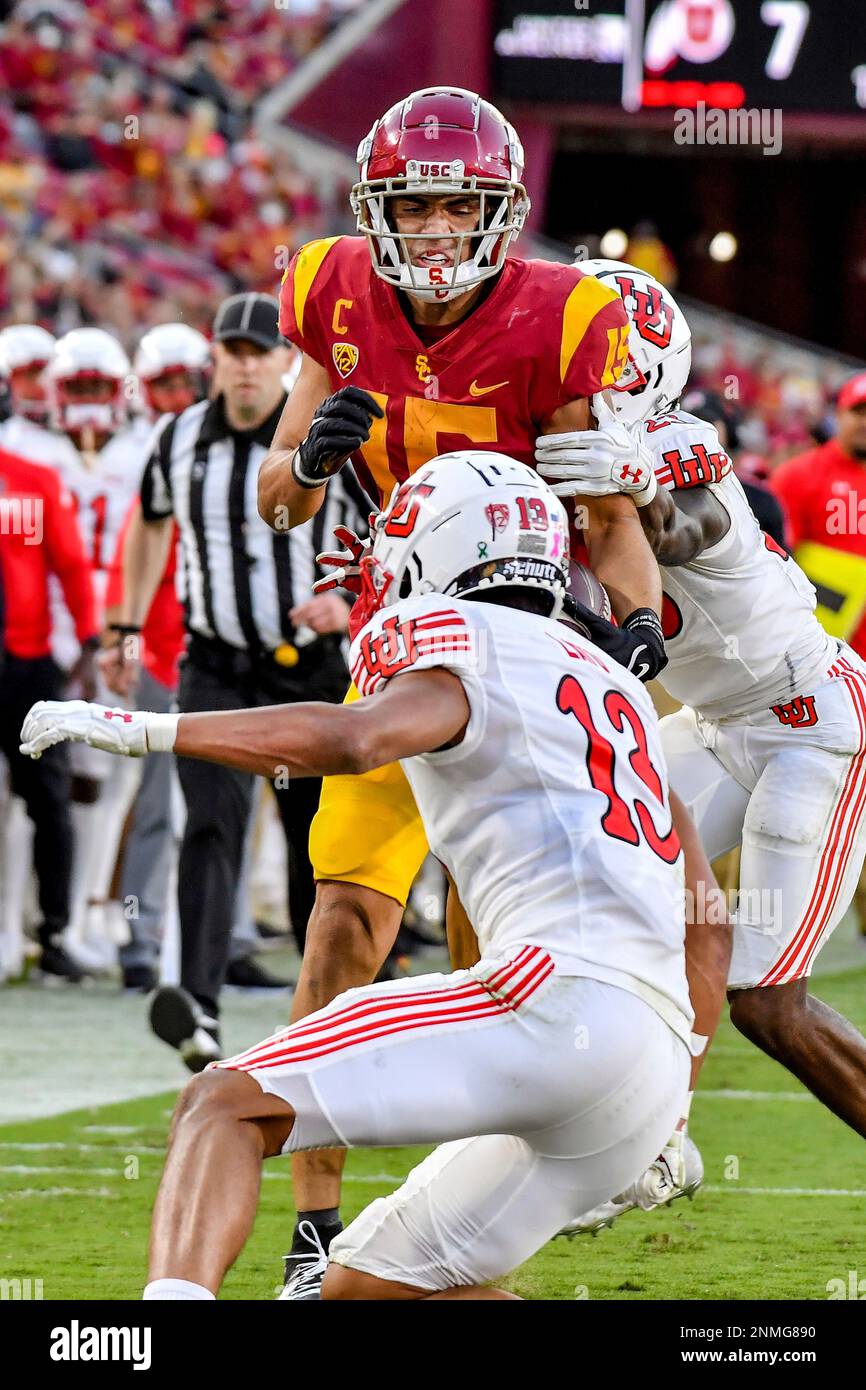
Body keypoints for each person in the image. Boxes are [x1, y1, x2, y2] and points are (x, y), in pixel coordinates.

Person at [20, 453, 729, 1302]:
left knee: (218, 1104)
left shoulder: (468, 636)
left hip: (553, 998)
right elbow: (708, 917)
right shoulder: (618, 687)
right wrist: (675, 1097)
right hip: (648, 1064)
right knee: (365, 1290)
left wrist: (152, 730)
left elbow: (358, 740)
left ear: (442, 547)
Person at [255, 85, 669, 1294]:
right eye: (414, 206)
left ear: (500, 211)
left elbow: (608, 517)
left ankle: (495, 1205)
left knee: (503, 953)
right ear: (374, 212)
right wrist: (308, 457)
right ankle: (315, 1233)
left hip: (525, 659)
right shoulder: (331, 290)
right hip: (397, 645)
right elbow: (277, 499)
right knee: (341, 923)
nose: (435, 228)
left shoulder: (562, 313)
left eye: (457, 206)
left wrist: (637, 628)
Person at [539, 261, 866, 1234]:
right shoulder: (551, 448)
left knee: (767, 998)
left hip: (810, 722)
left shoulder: (679, 445)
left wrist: (632, 486)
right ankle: (650, 1140)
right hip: (717, 727)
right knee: (589, 870)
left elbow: (681, 532)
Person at [102, 292, 370, 1069]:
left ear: (286, 360)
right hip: (215, 664)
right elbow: (150, 520)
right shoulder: (178, 436)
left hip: (307, 667)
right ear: (215, 357)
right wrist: (123, 627)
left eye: (262, 352)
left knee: (314, 841)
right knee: (210, 827)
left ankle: (326, 1021)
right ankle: (199, 1010)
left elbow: (385, 526)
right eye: (235, 352)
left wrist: (348, 600)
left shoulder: (321, 431)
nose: (247, 367)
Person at [0, 445, 98, 980]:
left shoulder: (31, 477)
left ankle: (54, 933)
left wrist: (89, 640)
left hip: (25, 660)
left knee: (49, 798)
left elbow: (69, 561)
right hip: (25, 655)